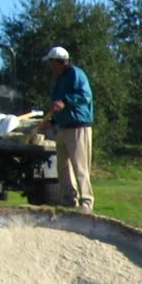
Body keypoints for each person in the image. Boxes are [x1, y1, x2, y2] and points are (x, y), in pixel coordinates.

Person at [43, 46, 94, 211]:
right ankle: (69, 200)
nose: (51, 67)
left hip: (78, 127)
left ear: (59, 62)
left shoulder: (75, 74)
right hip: (63, 127)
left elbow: (85, 96)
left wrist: (65, 101)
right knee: (63, 167)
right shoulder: (59, 79)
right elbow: (56, 105)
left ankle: (86, 202)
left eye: (52, 63)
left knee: (80, 166)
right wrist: (51, 121)